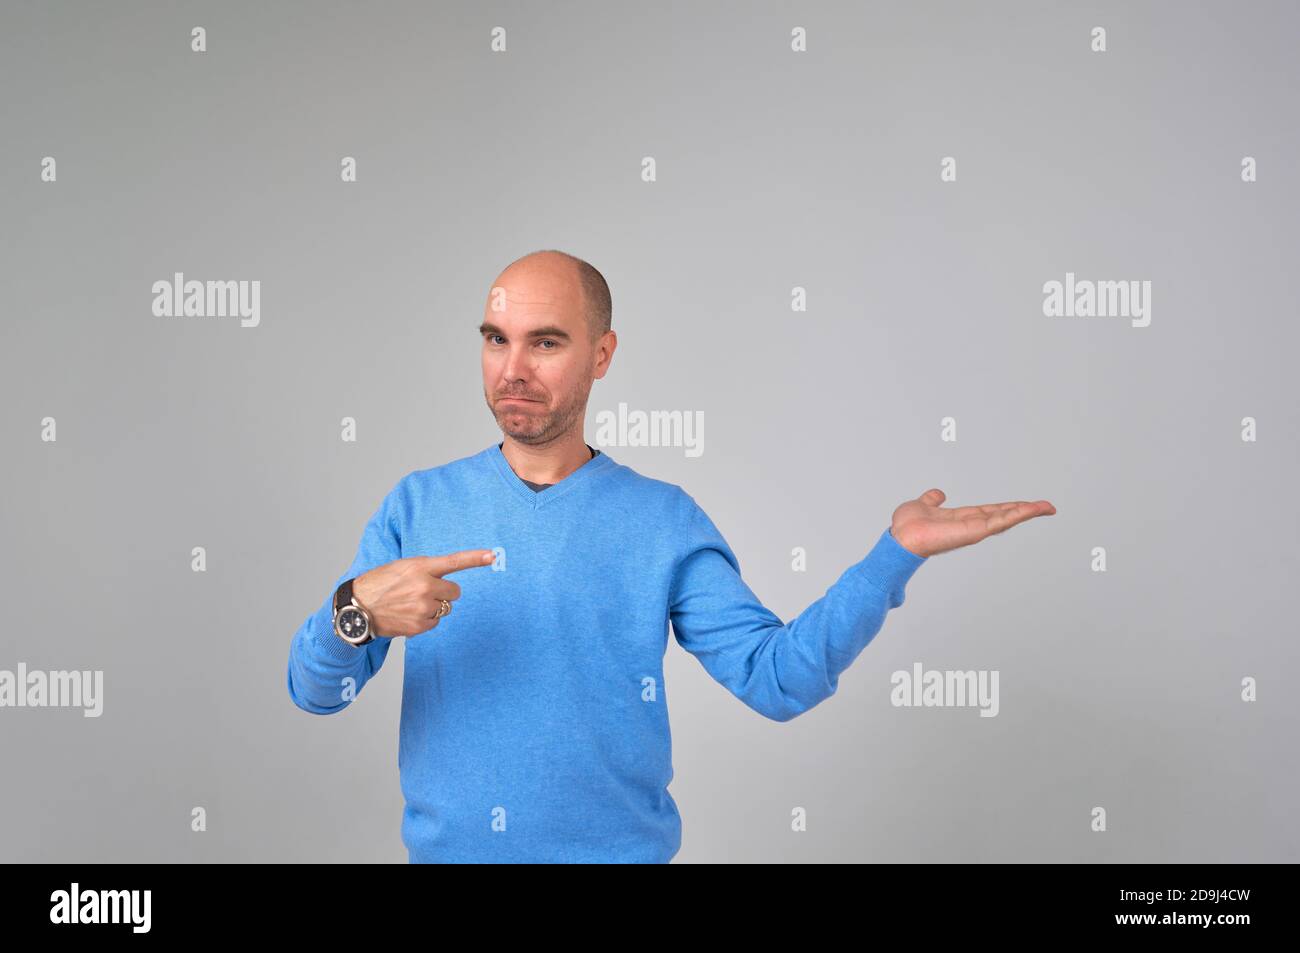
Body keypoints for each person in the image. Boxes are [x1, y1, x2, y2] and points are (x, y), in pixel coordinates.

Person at [286, 249, 1056, 863]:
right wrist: (353, 611)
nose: (512, 368)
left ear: (603, 353)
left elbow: (778, 678)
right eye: (496, 340)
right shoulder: (417, 506)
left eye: (545, 342)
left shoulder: (662, 521)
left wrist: (893, 557)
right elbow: (315, 692)